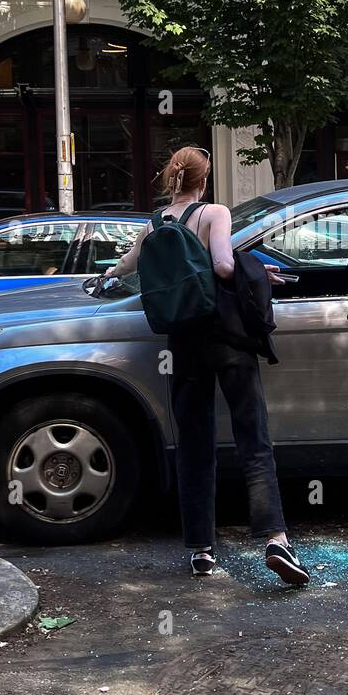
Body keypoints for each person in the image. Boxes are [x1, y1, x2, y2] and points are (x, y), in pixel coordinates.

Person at [107, 145, 309, 586]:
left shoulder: (156, 221)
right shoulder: (214, 213)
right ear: (205, 179)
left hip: (183, 341)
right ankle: (275, 540)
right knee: (252, 436)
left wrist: (102, 277)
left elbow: (129, 265)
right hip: (227, 338)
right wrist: (256, 270)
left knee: (195, 443)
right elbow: (221, 266)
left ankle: (201, 550)